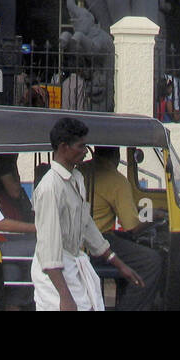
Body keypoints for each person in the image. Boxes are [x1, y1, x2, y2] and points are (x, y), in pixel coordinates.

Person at [30, 117, 144, 311]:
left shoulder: (76, 179)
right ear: (64, 147)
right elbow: (49, 251)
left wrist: (119, 264)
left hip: (72, 265)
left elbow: (87, 226)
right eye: (81, 147)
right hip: (54, 275)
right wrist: (65, 298)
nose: (86, 152)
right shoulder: (50, 188)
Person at [80, 145, 164, 310]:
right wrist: (155, 217)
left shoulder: (81, 169)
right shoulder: (117, 181)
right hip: (96, 243)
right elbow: (132, 228)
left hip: (81, 239)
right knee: (151, 260)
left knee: (131, 246)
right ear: (117, 155)